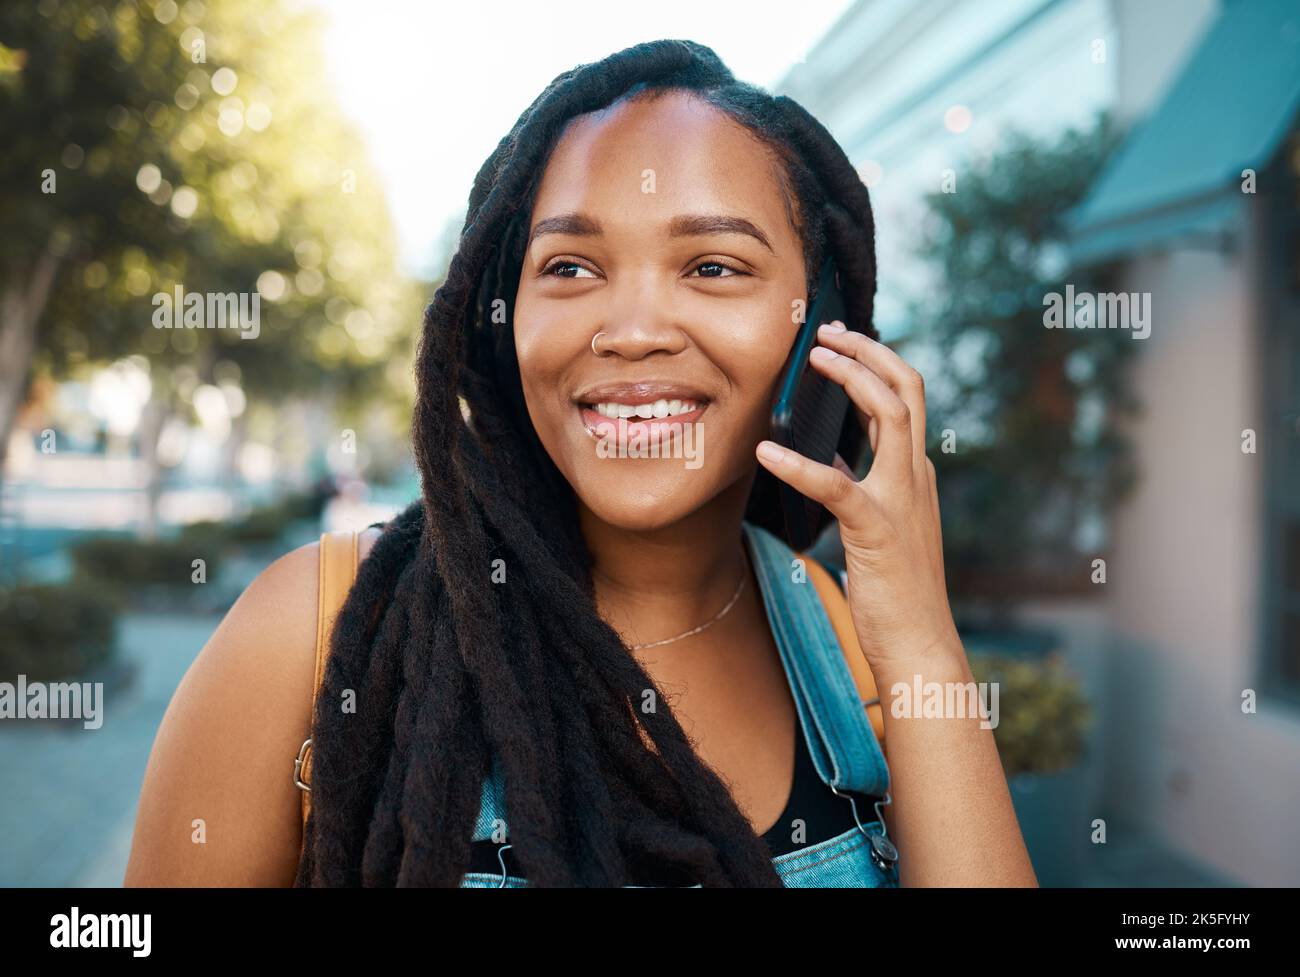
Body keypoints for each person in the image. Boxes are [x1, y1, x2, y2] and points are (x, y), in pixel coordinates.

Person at [123, 39, 1036, 888]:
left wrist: (921, 636)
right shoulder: (315, 630)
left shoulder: (837, 634)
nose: (632, 331)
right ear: (501, 311)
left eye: (714, 266)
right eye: (569, 266)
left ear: (819, 326)